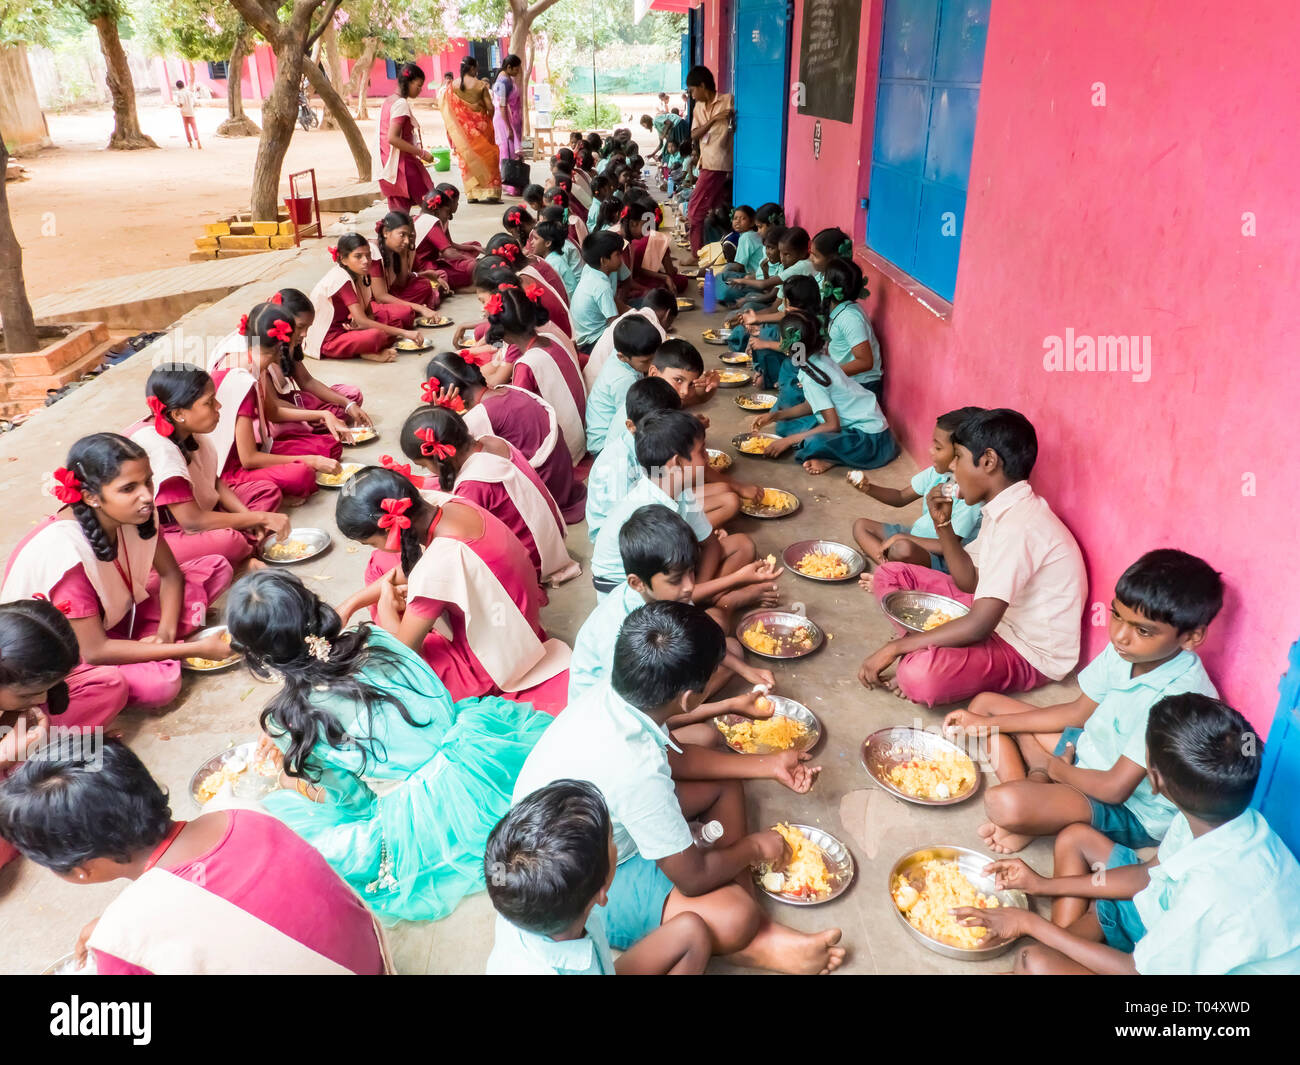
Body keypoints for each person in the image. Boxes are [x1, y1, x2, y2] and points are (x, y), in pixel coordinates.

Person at [513, 601, 845, 974]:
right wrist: (753, 847)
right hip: (570, 883)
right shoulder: (633, 767)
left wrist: (768, 765)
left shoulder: (619, 692)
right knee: (737, 915)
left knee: (723, 781)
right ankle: (759, 940)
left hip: (582, 830)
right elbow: (693, 875)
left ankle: (739, 921)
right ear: (688, 698)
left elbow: (674, 758)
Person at [225, 571, 550, 924]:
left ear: (260, 660)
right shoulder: (375, 638)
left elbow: (354, 800)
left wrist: (294, 782)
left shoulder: (289, 720)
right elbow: (438, 700)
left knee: (290, 834)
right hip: (479, 753)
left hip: (423, 815)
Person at [955, 694, 1300, 974]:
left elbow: (1136, 970)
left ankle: (1066, 941)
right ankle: (1080, 934)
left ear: (1155, 780)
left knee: (1036, 961)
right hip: (1172, 918)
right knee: (1076, 838)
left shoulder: (1211, 896)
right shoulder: (1216, 816)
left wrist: (1028, 923)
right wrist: (1040, 884)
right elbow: (1146, 876)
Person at [0, 738, 390, 974]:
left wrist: (118, 935)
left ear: (79, 870)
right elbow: (220, 895)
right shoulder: (243, 810)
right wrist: (117, 923)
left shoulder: (125, 940)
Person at [945, 549, 1222, 855]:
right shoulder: (1128, 651)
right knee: (985, 706)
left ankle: (1030, 804)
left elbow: (1114, 788)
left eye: (1143, 630)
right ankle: (1034, 793)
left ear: (1191, 637)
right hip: (1087, 752)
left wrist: (1059, 771)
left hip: (1129, 807)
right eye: (1117, 615)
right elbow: (1077, 712)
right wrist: (986, 723)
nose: (1119, 636)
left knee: (1004, 804)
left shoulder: (1180, 699)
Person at [861, 408, 1087, 707]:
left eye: (959, 458)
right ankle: (927, 647)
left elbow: (980, 624)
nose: (951, 468)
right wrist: (943, 524)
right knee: (890, 574)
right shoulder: (1002, 510)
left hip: (1024, 648)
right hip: (991, 614)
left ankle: (922, 652)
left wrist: (897, 648)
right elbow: (967, 582)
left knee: (918, 676)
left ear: (989, 461)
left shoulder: (1021, 525)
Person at [0, 434, 233, 712]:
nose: (147, 495)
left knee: (215, 567)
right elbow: (95, 651)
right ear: (91, 497)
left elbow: (172, 575)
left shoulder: (137, 513)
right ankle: (148, 651)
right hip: (79, 652)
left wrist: (165, 633)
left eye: (148, 480)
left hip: (117, 619)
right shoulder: (66, 554)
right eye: (128, 488)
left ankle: (149, 647)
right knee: (159, 686)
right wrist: (193, 649)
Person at [335, 468, 571, 715]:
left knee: (386, 672)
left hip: (499, 657)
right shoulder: (446, 503)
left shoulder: (436, 566)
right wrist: (349, 606)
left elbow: (405, 653)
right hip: (516, 617)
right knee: (382, 564)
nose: (374, 548)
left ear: (388, 529)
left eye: (371, 542)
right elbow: (412, 567)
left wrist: (386, 610)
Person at [486, 780, 712, 975]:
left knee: (693, 931)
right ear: (602, 893)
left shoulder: (517, 892)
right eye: (612, 838)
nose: (614, 838)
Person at [570, 504, 779, 705]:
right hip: (617, 713)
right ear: (637, 583)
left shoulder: (668, 595)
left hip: (650, 689)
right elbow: (631, 712)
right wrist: (730, 705)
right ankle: (680, 714)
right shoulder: (621, 633)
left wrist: (746, 671)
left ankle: (681, 710)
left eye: (691, 572)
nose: (689, 586)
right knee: (704, 734)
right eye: (676, 579)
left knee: (730, 648)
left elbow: (698, 637)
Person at [0, 600, 125, 873]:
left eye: (48, 687)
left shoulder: (17, 669)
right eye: (27, 694)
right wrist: (5, 757)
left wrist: (18, 716)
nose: (43, 698)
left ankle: (36, 757)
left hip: (17, 732)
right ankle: (31, 761)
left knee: (108, 683)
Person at [398, 404, 580, 584]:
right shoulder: (490, 441)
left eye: (425, 465)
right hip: (551, 539)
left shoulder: (472, 486)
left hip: (534, 561)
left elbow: (462, 534)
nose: (428, 471)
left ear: (441, 457)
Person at [129, 363, 289, 567]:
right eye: (209, 402)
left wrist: (248, 516)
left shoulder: (183, 428)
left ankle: (242, 541)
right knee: (231, 542)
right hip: (162, 536)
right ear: (178, 414)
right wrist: (259, 518)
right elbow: (192, 522)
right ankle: (242, 546)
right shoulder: (160, 449)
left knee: (266, 491)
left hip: (199, 512)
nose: (219, 406)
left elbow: (212, 482)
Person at [590, 411, 756, 596]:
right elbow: (666, 592)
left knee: (743, 545)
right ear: (677, 463)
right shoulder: (651, 514)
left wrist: (695, 590)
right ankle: (717, 601)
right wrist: (738, 579)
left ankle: (703, 600)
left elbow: (711, 545)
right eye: (701, 451)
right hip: (632, 593)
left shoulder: (680, 491)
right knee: (717, 617)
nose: (708, 457)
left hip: (670, 579)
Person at [423, 351, 586, 522]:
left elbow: (444, 461)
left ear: (447, 393)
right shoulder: (510, 389)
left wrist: (439, 415)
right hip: (562, 479)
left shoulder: (479, 416)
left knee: (443, 484)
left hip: (546, 492)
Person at [214, 303, 343, 499]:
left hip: (259, 446)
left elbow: (273, 411)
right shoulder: (241, 379)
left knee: (330, 446)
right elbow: (248, 459)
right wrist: (312, 461)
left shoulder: (256, 362)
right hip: (230, 468)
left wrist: (323, 414)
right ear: (282, 347)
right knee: (303, 475)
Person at [749, 313, 897, 474]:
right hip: (858, 427)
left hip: (870, 439)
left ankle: (831, 458)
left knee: (814, 442)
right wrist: (776, 416)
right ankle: (831, 451)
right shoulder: (818, 359)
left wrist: (787, 441)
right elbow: (812, 404)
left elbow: (832, 425)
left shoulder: (812, 375)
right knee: (788, 425)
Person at [851, 406, 986, 569]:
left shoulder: (971, 497)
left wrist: (901, 538)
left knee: (902, 549)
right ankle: (891, 568)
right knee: (862, 526)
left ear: (960, 453)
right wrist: (868, 488)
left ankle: (895, 570)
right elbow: (900, 497)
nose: (931, 451)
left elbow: (947, 546)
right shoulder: (937, 474)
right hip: (915, 535)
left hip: (942, 557)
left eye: (938, 448)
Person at [481, 283, 586, 462]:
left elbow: (519, 416)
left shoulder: (527, 364)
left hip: (566, 449)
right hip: (580, 434)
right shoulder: (551, 339)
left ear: (503, 333)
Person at [267, 288, 373, 434]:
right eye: (300, 327)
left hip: (289, 402)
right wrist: (319, 415)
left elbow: (307, 382)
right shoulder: (260, 350)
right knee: (324, 441)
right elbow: (273, 408)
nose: (304, 334)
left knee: (351, 395)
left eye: (307, 328)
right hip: (271, 415)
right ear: (281, 320)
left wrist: (348, 404)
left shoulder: (288, 342)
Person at [303, 235, 421, 362]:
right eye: (358, 256)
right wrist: (404, 333)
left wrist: (361, 325)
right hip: (330, 338)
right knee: (377, 335)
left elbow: (368, 315)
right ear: (343, 259)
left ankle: (366, 347)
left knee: (404, 315)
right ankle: (365, 352)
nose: (366, 261)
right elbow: (363, 321)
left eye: (368, 255)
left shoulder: (360, 274)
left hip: (349, 327)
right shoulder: (341, 279)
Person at [585, 310, 658, 455]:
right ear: (622, 357)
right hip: (603, 447)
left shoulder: (624, 355)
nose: (652, 364)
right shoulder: (623, 380)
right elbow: (633, 418)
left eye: (654, 357)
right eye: (646, 361)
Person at [582, 288, 676, 391]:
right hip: (607, 390)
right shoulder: (656, 329)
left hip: (590, 385)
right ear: (667, 315)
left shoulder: (630, 317)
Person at [684, 66, 733, 257]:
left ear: (703, 86)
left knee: (694, 211)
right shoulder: (698, 108)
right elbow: (694, 134)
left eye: (693, 90)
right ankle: (714, 252)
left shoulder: (727, 100)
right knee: (716, 211)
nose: (693, 96)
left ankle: (697, 255)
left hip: (718, 165)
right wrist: (713, 120)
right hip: (706, 163)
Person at [438, 56, 501, 203]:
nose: (477, 70)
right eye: (476, 67)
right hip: (481, 129)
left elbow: (449, 109)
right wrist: (487, 121)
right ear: (472, 68)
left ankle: (472, 193)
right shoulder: (480, 85)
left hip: (463, 132)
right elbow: (490, 108)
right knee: (488, 158)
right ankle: (491, 192)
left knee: (468, 160)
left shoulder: (452, 86)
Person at [819, 257, 882, 397]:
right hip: (846, 379)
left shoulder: (850, 318)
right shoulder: (842, 310)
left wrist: (828, 374)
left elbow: (865, 362)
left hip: (861, 385)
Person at [377, 63, 435, 212]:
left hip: (388, 168)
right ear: (408, 82)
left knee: (398, 218)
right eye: (418, 85)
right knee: (433, 205)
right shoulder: (400, 104)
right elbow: (393, 138)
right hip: (403, 166)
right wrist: (421, 153)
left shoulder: (389, 101)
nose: (420, 90)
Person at [368, 212, 443, 317]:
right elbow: (380, 297)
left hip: (390, 295)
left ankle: (409, 308)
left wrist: (402, 255)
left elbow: (402, 283)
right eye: (402, 235)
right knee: (404, 314)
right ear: (385, 232)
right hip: (371, 304)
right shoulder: (373, 252)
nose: (407, 241)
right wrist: (419, 308)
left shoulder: (395, 249)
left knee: (424, 285)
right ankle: (410, 309)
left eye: (409, 236)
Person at [572, 231, 630, 355]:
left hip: (584, 337)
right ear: (604, 261)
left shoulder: (590, 271)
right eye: (618, 255)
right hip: (593, 343)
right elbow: (614, 323)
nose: (621, 259)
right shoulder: (602, 286)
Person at [492, 54, 525, 188]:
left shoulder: (505, 78)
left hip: (506, 115)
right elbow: (502, 105)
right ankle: (509, 183)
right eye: (516, 69)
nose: (518, 72)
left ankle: (510, 182)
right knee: (507, 149)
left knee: (508, 149)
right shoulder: (503, 81)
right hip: (502, 117)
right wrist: (508, 128)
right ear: (509, 67)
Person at [528, 219, 577, 298]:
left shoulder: (553, 263)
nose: (531, 242)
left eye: (535, 238)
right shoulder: (553, 259)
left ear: (548, 243)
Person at [174, 79, 201, 149]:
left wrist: (177, 105)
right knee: (194, 127)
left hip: (184, 113)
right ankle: (198, 141)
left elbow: (181, 104)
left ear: (178, 87)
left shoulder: (179, 93)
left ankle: (190, 143)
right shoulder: (189, 92)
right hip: (191, 112)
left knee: (187, 128)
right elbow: (195, 102)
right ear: (183, 84)